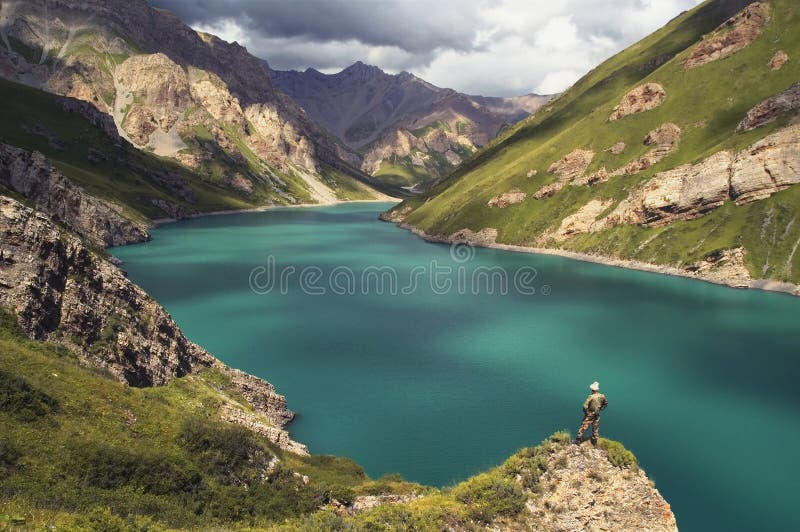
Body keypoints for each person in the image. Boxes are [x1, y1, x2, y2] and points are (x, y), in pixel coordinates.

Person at [574, 381, 607, 447]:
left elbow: (584, 406)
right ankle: (595, 442)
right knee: (595, 428)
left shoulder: (591, 397)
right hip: (597, 414)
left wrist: (586, 412)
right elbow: (605, 403)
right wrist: (600, 409)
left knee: (584, 426)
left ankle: (578, 440)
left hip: (590, 414)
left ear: (592, 389)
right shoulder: (602, 396)